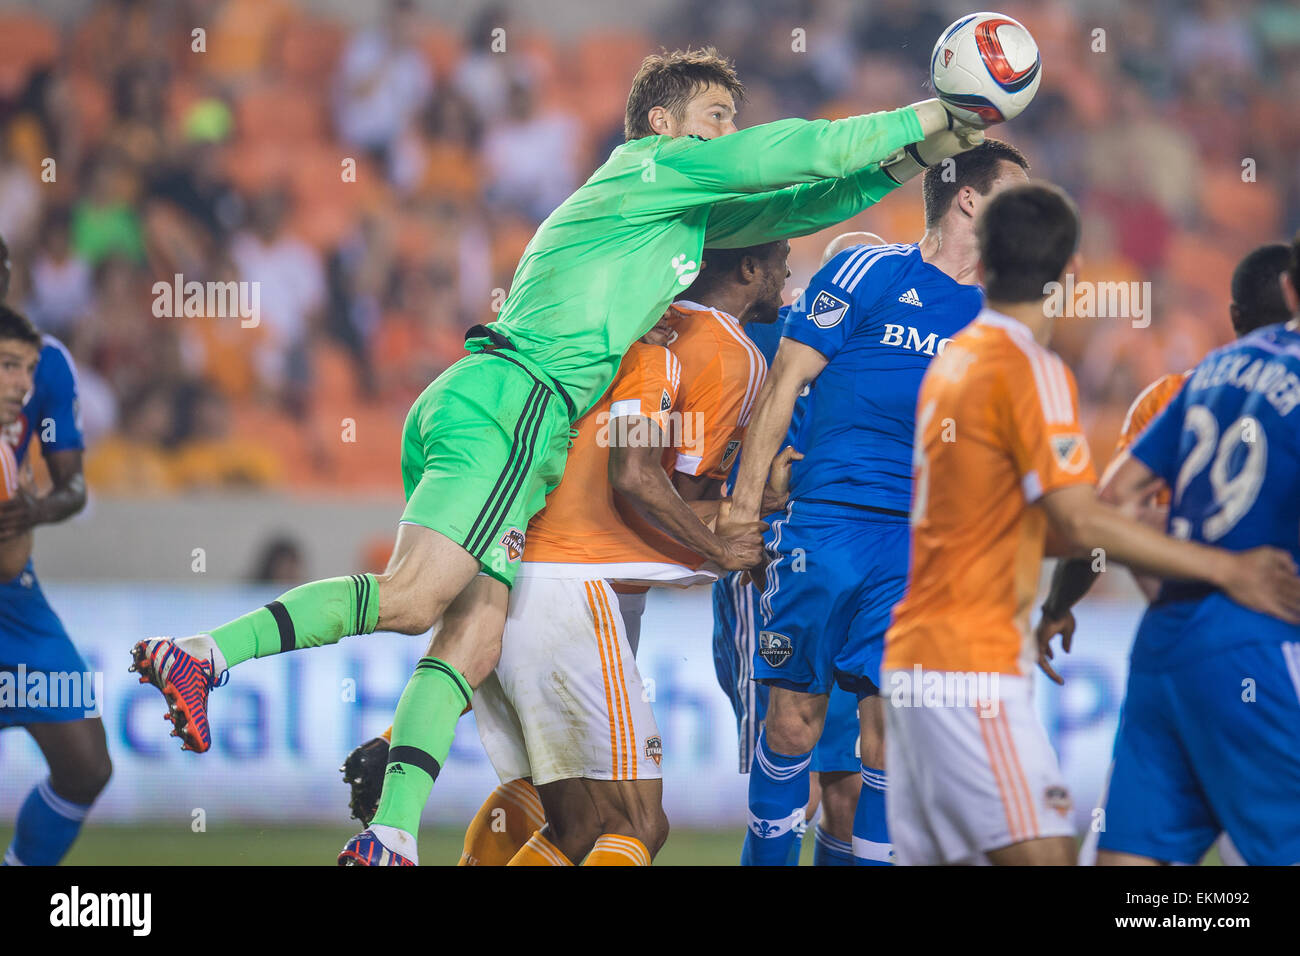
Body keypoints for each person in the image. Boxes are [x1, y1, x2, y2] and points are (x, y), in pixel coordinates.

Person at [131, 46, 986, 867]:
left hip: (499, 406)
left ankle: (390, 837)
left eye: (732, 120)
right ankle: (206, 655)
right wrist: (929, 112)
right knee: (420, 601)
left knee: (470, 633)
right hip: (519, 396)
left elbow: (798, 206)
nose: (728, 134)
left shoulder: (673, 220)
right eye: (715, 117)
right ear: (661, 123)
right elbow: (791, 154)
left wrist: (932, 147)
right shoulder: (651, 167)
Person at [880, 183, 1300, 865]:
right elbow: (1082, 518)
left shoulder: (953, 360)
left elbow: (1031, 519)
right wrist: (1226, 566)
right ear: (1072, 273)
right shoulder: (1030, 368)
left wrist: (1062, 591)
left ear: (981, 264)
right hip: (972, 664)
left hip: (914, 658)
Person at [345, 241, 795, 866]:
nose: (790, 271)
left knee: (550, 804)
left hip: (509, 567)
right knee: (633, 822)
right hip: (581, 588)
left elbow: (624, 471)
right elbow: (650, 487)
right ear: (747, 268)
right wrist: (741, 523)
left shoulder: (612, 338)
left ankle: (408, 748)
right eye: (782, 255)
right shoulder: (720, 354)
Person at [724, 140, 1029, 866]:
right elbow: (785, 382)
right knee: (793, 723)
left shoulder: (999, 316)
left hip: (921, 551)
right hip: (824, 529)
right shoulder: (868, 271)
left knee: (891, 735)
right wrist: (741, 509)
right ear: (968, 199)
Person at [1068, 237, 1300, 866]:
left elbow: (1112, 501)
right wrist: (1234, 567)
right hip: (1263, 643)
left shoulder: (1206, 377)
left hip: (1166, 646)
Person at [711, 231, 882, 867]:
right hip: (771, 566)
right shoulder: (768, 335)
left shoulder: (886, 358)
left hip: (853, 568)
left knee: (848, 786)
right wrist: (739, 505)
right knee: (796, 773)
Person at [0, 301, 108, 867]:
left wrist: (31, 511)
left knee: (87, 765)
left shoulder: (48, 366)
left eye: (25, 367)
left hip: (15, 604)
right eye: (10, 368)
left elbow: (73, 488)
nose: (24, 381)